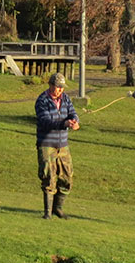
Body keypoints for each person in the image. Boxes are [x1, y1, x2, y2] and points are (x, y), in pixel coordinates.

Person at [34, 72, 80, 219]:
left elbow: (72, 112)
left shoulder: (66, 98)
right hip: (47, 143)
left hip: (63, 144)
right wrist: (63, 123)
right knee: (49, 177)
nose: (60, 90)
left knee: (67, 178)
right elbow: (46, 121)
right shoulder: (42, 101)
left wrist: (74, 121)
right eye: (57, 87)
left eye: (62, 87)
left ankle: (58, 208)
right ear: (51, 85)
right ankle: (47, 213)